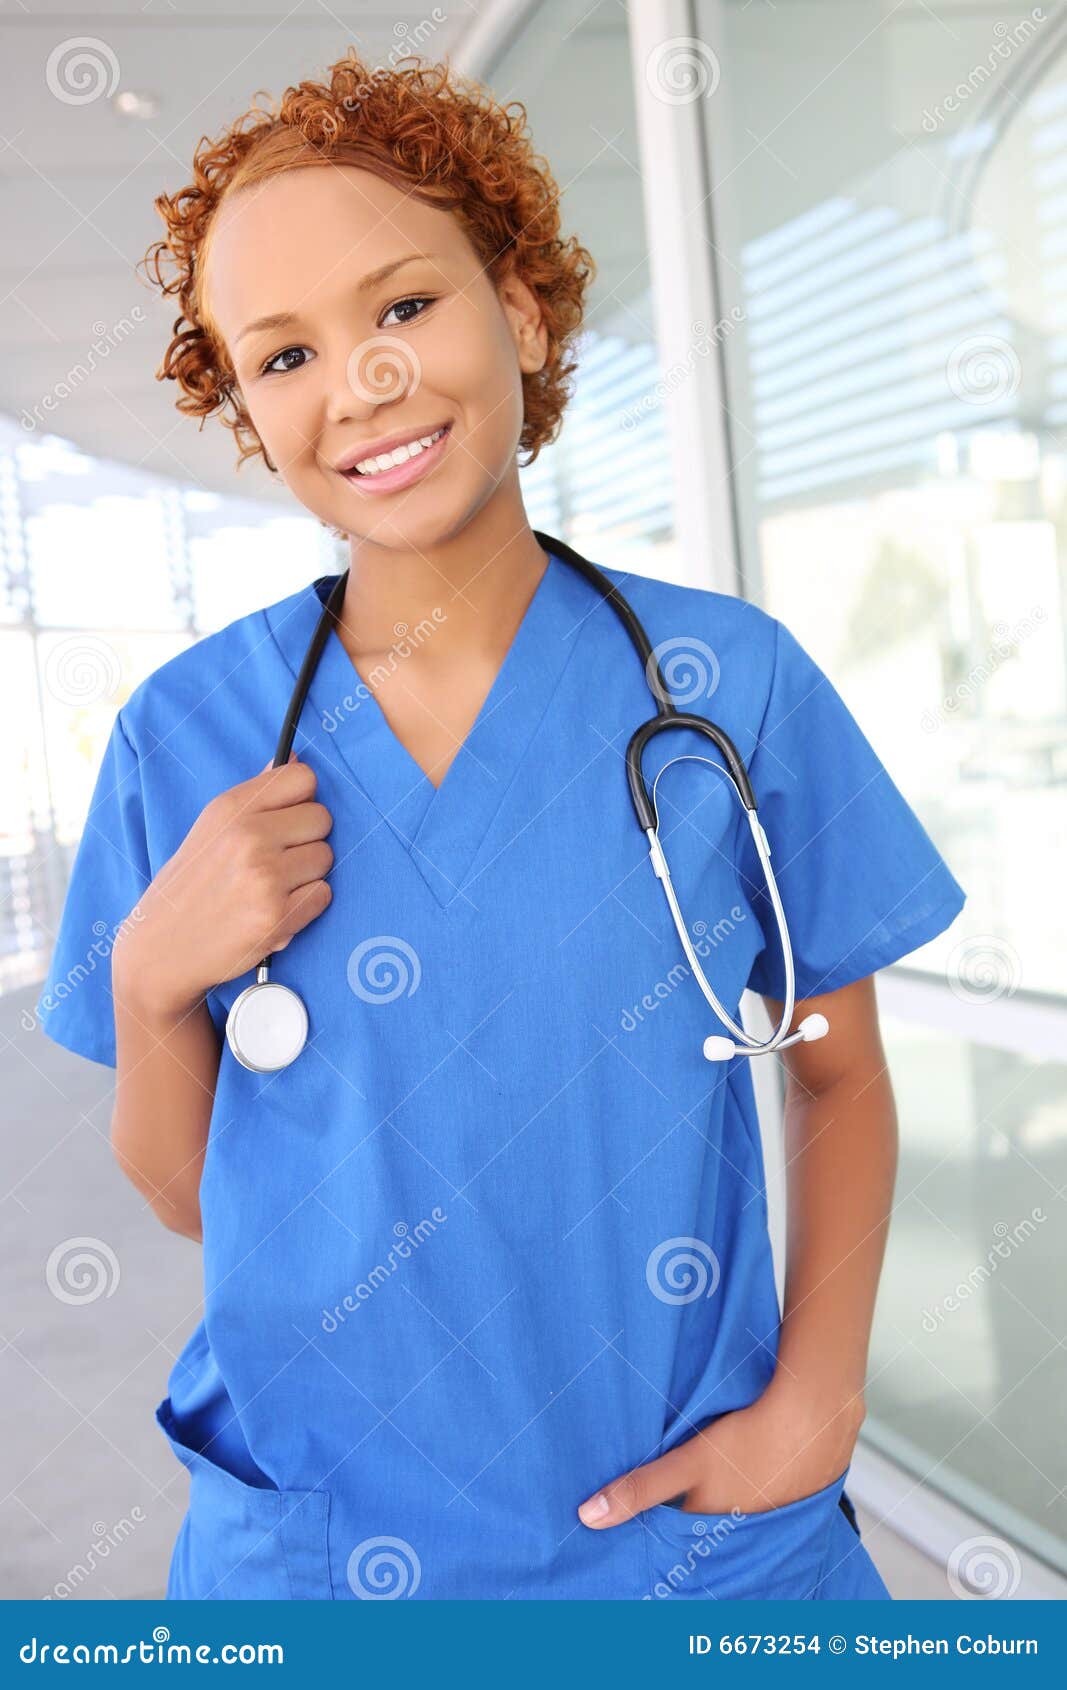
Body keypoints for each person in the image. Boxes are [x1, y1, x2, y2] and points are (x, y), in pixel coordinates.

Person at [38, 49, 966, 1601]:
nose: (360, 383)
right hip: (318, 1561)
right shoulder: (184, 735)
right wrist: (147, 983)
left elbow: (840, 1073)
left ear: (522, 313)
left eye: (404, 306)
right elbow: (198, 1196)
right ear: (246, 409)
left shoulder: (726, 684)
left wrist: (819, 1402)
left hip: (689, 1544)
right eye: (284, 354)